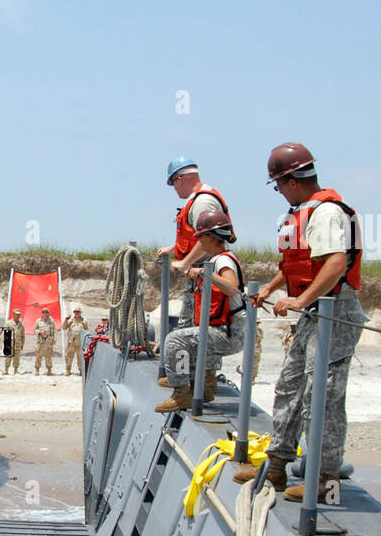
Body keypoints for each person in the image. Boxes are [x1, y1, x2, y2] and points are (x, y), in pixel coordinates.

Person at [234, 142, 368, 503]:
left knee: (321, 397)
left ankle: (325, 482)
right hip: (316, 312)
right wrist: (272, 291)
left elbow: (336, 264)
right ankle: (276, 468)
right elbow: (295, 267)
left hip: (335, 313)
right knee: (290, 387)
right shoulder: (305, 213)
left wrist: (300, 300)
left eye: (278, 186)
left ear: (292, 181)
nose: (278, 193)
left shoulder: (324, 213)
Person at [154, 210, 246, 413]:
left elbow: (231, 287)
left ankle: (181, 394)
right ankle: (201, 386)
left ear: (211, 237)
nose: (198, 242)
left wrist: (204, 272)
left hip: (229, 332)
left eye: (201, 237)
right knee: (193, 338)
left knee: (175, 340)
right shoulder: (219, 259)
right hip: (226, 329)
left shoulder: (222, 261)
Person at [156, 157, 229, 355]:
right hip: (198, 274)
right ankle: (190, 374)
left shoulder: (203, 201)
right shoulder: (197, 200)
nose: (175, 190)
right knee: (188, 325)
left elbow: (209, 239)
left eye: (174, 184)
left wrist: (184, 263)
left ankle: (194, 377)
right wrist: (172, 249)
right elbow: (195, 235)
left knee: (192, 326)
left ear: (180, 178)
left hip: (205, 274)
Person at [63, 307, 88, 376]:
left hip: (80, 342)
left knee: (80, 356)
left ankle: (81, 370)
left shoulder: (84, 321)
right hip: (71, 342)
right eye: (75, 312)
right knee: (69, 355)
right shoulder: (70, 320)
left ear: (80, 312)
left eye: (78, 312)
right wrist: (66, 320)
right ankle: (68, 369)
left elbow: (87, 331)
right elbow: (64, 328)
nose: (76, 313)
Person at [34, 308, 56, 375]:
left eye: (46, 312)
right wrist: (40, 332)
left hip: (49, 341)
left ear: (48, 313)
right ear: (41, 313)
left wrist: (54, 339)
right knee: (38, 356)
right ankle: (37, 370)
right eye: (43, 312)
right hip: (40, 341)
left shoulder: (51, 321)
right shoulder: (38, 321)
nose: (45, 313)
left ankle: (49, 370)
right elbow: (35, 329)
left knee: (48, 356)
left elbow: (55, 330)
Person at [3, 308, 25, 374]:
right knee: (8, 357)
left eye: (19, 314)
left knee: (17, 357)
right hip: (10, 343)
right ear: (13, 314)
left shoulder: (21, 325)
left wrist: (22, 344)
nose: (17, 316)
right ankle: (6, 370)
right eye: (16, 314)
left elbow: (22, 336)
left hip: (18, 343)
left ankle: (16, 370)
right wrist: (5, 343)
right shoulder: (8, 323)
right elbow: (4, 333)